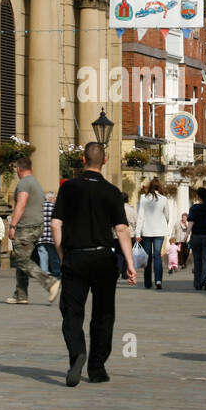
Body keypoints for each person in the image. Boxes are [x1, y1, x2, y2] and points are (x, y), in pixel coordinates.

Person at [49, 142, 135, 386]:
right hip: (104, 257)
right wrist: (129, 263)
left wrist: (62, 254)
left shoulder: (68, 188)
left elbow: (56, 224)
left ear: (82, 159)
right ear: (104, 161)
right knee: (104, 313)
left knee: (72, 312)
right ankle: (97, 368)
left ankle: (78, 353)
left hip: (76, 255)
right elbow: (121, 229)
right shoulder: (112, 192)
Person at [7, 158, 60, 305]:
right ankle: (21, 295)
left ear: (19, 169)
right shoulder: (35, 182)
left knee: (22, 260)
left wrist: (13, 225)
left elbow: (22, 203)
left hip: (26, 227)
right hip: (37, 226)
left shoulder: (24, 183)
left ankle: (50, 283)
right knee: (22, 258)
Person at [135, 178, 172, 290]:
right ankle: (158, 280)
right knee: (157, 255)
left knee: (147, 257)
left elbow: (140, 216)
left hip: (146, 231)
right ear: (159, 187)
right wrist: (163, 223)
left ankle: (147, 282)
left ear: (149, 187)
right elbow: (167, 215)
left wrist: (138, 233)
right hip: (159, 231)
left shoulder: (143, 198)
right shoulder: (164, 199)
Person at [38, 191, 62, 281]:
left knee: (42, 255)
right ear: (51, 198)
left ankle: (44, 273)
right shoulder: (54, 207)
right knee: (54, 256)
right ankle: (56, 272)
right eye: (54, 198)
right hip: (52, 237)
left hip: (41, 236)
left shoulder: (39, 208)